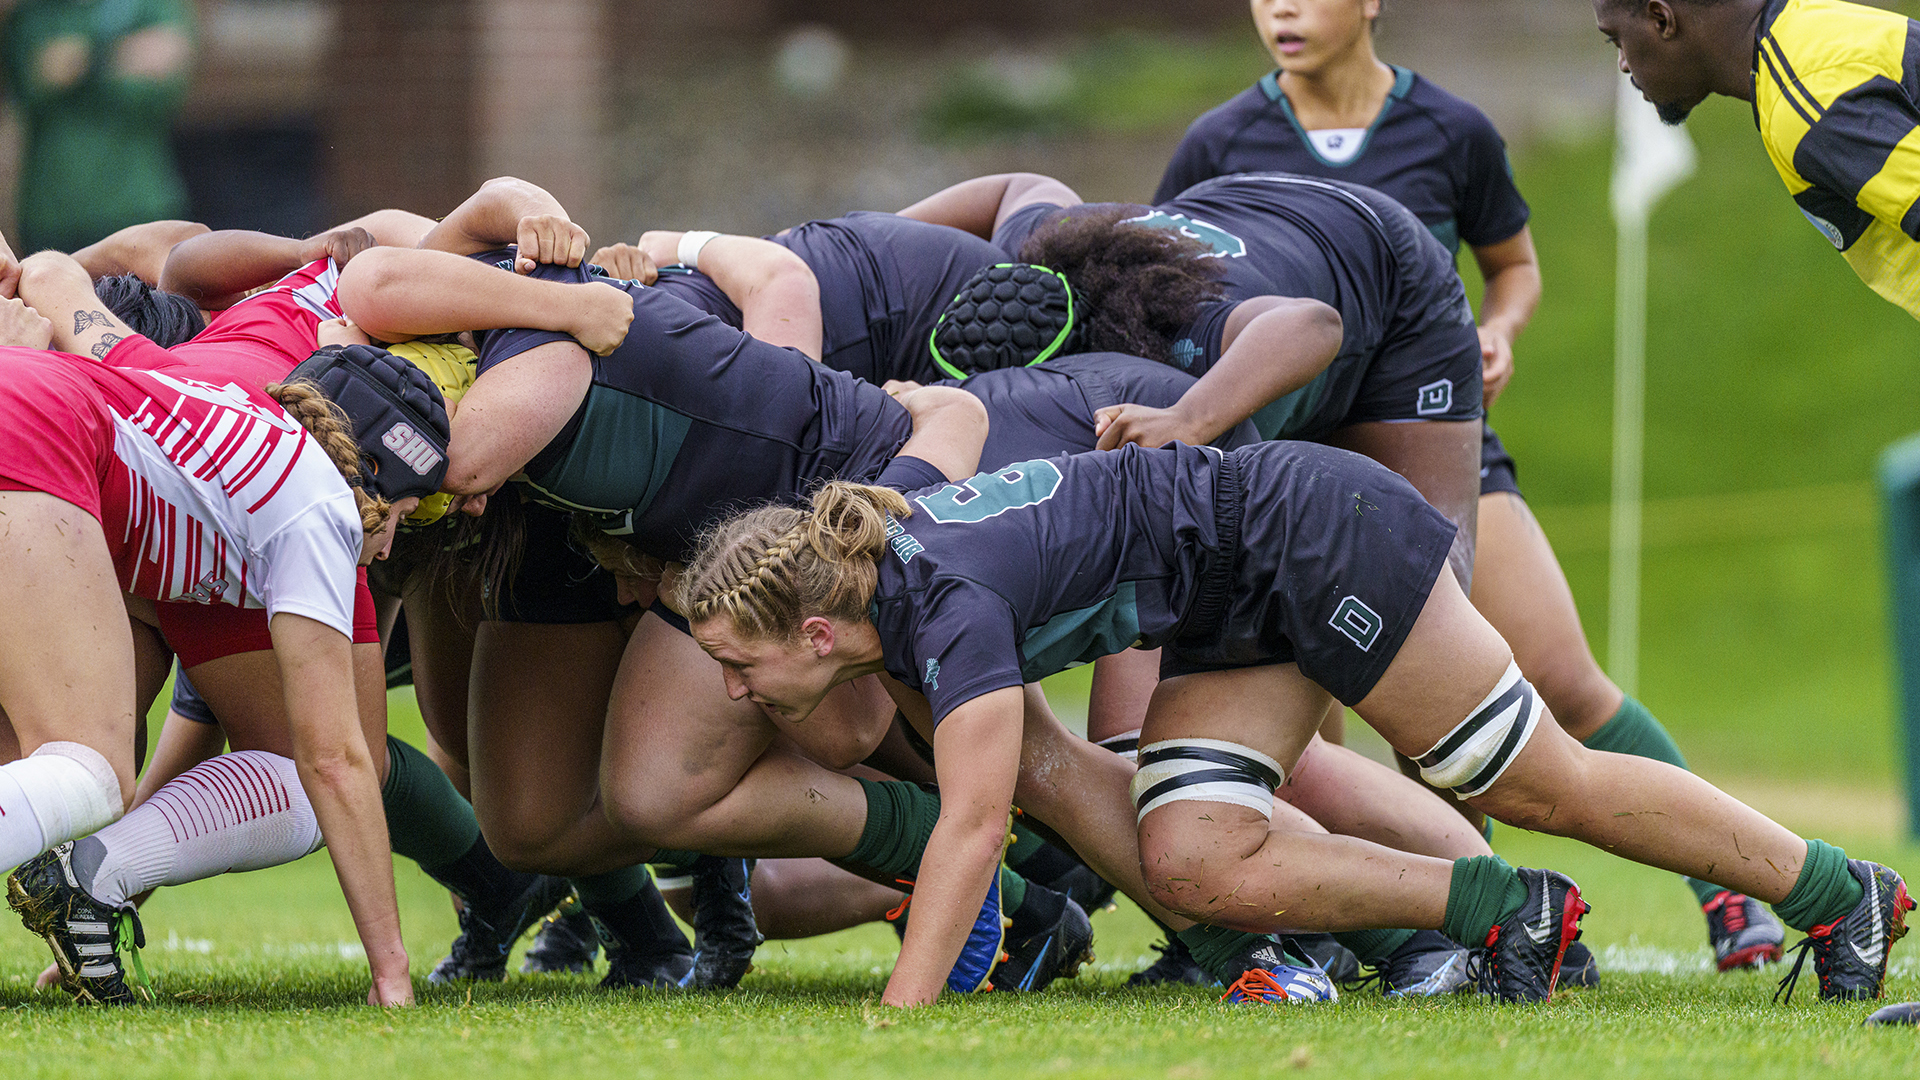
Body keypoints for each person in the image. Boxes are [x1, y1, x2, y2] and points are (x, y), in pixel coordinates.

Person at [674, 442, 1915, 1007]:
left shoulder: (934, 606)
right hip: (1241, 597)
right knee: (1193, 856)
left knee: (1536, 779)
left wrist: (901, 1016)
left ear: (818, 633)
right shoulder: (889, 603)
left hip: (1316, 539)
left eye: (738, 663)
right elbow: (1024, 783)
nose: (730, 691)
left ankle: (1840, 891)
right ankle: (1508, 910)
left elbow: (974, 825)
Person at [1155, 0, 1780, 973]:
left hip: (1435, 446)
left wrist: (1500, 328)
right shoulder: (1217, 141)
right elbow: (1175, 291)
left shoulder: (1450, 129)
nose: (1280, 7)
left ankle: (1738, 894)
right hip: (1293, 473)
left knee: (1560, 678)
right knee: (1314, 733)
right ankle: (1392, 934)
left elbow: (1514, 266)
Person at [0, 255, 433, 1006]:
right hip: (30, 429)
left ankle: (95, 879)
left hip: (26, 409)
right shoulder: (318, 505)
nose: (392, 545)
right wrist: (391, 971)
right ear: (367, 477)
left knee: (20, 754)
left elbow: (48, 280)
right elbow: (334, 758)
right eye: (403, 514)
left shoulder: (227, 419)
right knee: (91, 771)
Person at [1598, 0, 1920, 316]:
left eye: (1617, 40)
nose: (1623, 63)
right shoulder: (1803, 23)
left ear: (1661, 20)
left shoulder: (1804, 101)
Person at [0, 0, 194, 254]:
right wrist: (118, 53)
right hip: (53, 211)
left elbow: (163, 78)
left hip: (137, 203)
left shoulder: (152, 6)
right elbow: (35, 77)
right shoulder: (33, 13)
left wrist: (81, 60)